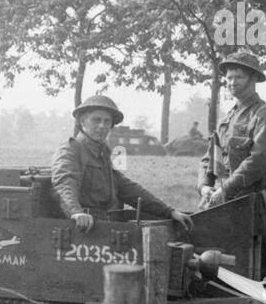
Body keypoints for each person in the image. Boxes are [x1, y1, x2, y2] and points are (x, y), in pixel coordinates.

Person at [52, 95, 193, 232]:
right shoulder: (71, 149)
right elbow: (65, 182)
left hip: (107, 224)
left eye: (107, 121)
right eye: (96, 120)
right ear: (82, 121)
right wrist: (76, 212)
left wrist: (169, 211)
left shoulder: (102, 152)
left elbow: (127, 188)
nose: (102, 126)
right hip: (85, 229)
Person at [198, 50, 266, 208]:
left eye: (239, 77)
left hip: (247, 204)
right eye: (229, 77)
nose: (232, 82)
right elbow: (208, 159)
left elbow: (260, 161)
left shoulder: (265, 116)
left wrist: (226, 189)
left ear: (253, 79)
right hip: (216, 201)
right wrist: (204, 187)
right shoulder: (227, 118)